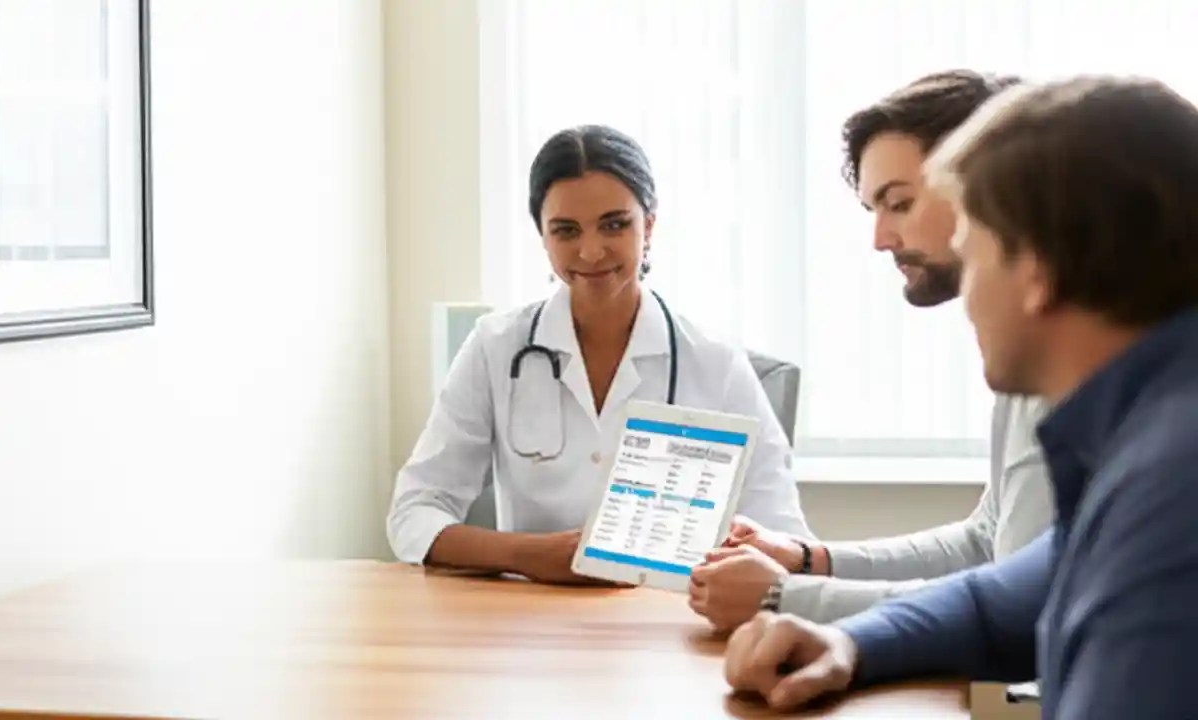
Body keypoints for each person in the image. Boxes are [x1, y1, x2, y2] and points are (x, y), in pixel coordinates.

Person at [722, 75, 1198, 719]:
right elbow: (1005, 594)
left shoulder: (1171, 494)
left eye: (973, 257)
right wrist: (848, 640)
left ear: (1036, 272)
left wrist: (791, 593)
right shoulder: (1142, 432)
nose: (968, 297)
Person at [689, 70, 1053, 630]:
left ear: (985, 186)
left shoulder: (1074, 354)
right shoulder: (1026, 351)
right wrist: (811, 561)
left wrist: (787, 598)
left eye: (899, 203)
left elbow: (1021, 607)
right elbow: (990, 540)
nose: (880, 238)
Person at [387, 125, 812, 583]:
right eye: (566, 230)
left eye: (614, 224)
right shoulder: (495, 347)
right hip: (530, 625)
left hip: (672, 622)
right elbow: (414, 513)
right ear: (542, 236)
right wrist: (529, 555)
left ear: (648, 226)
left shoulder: (715, 363)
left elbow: (783, 536)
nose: (591, 251)